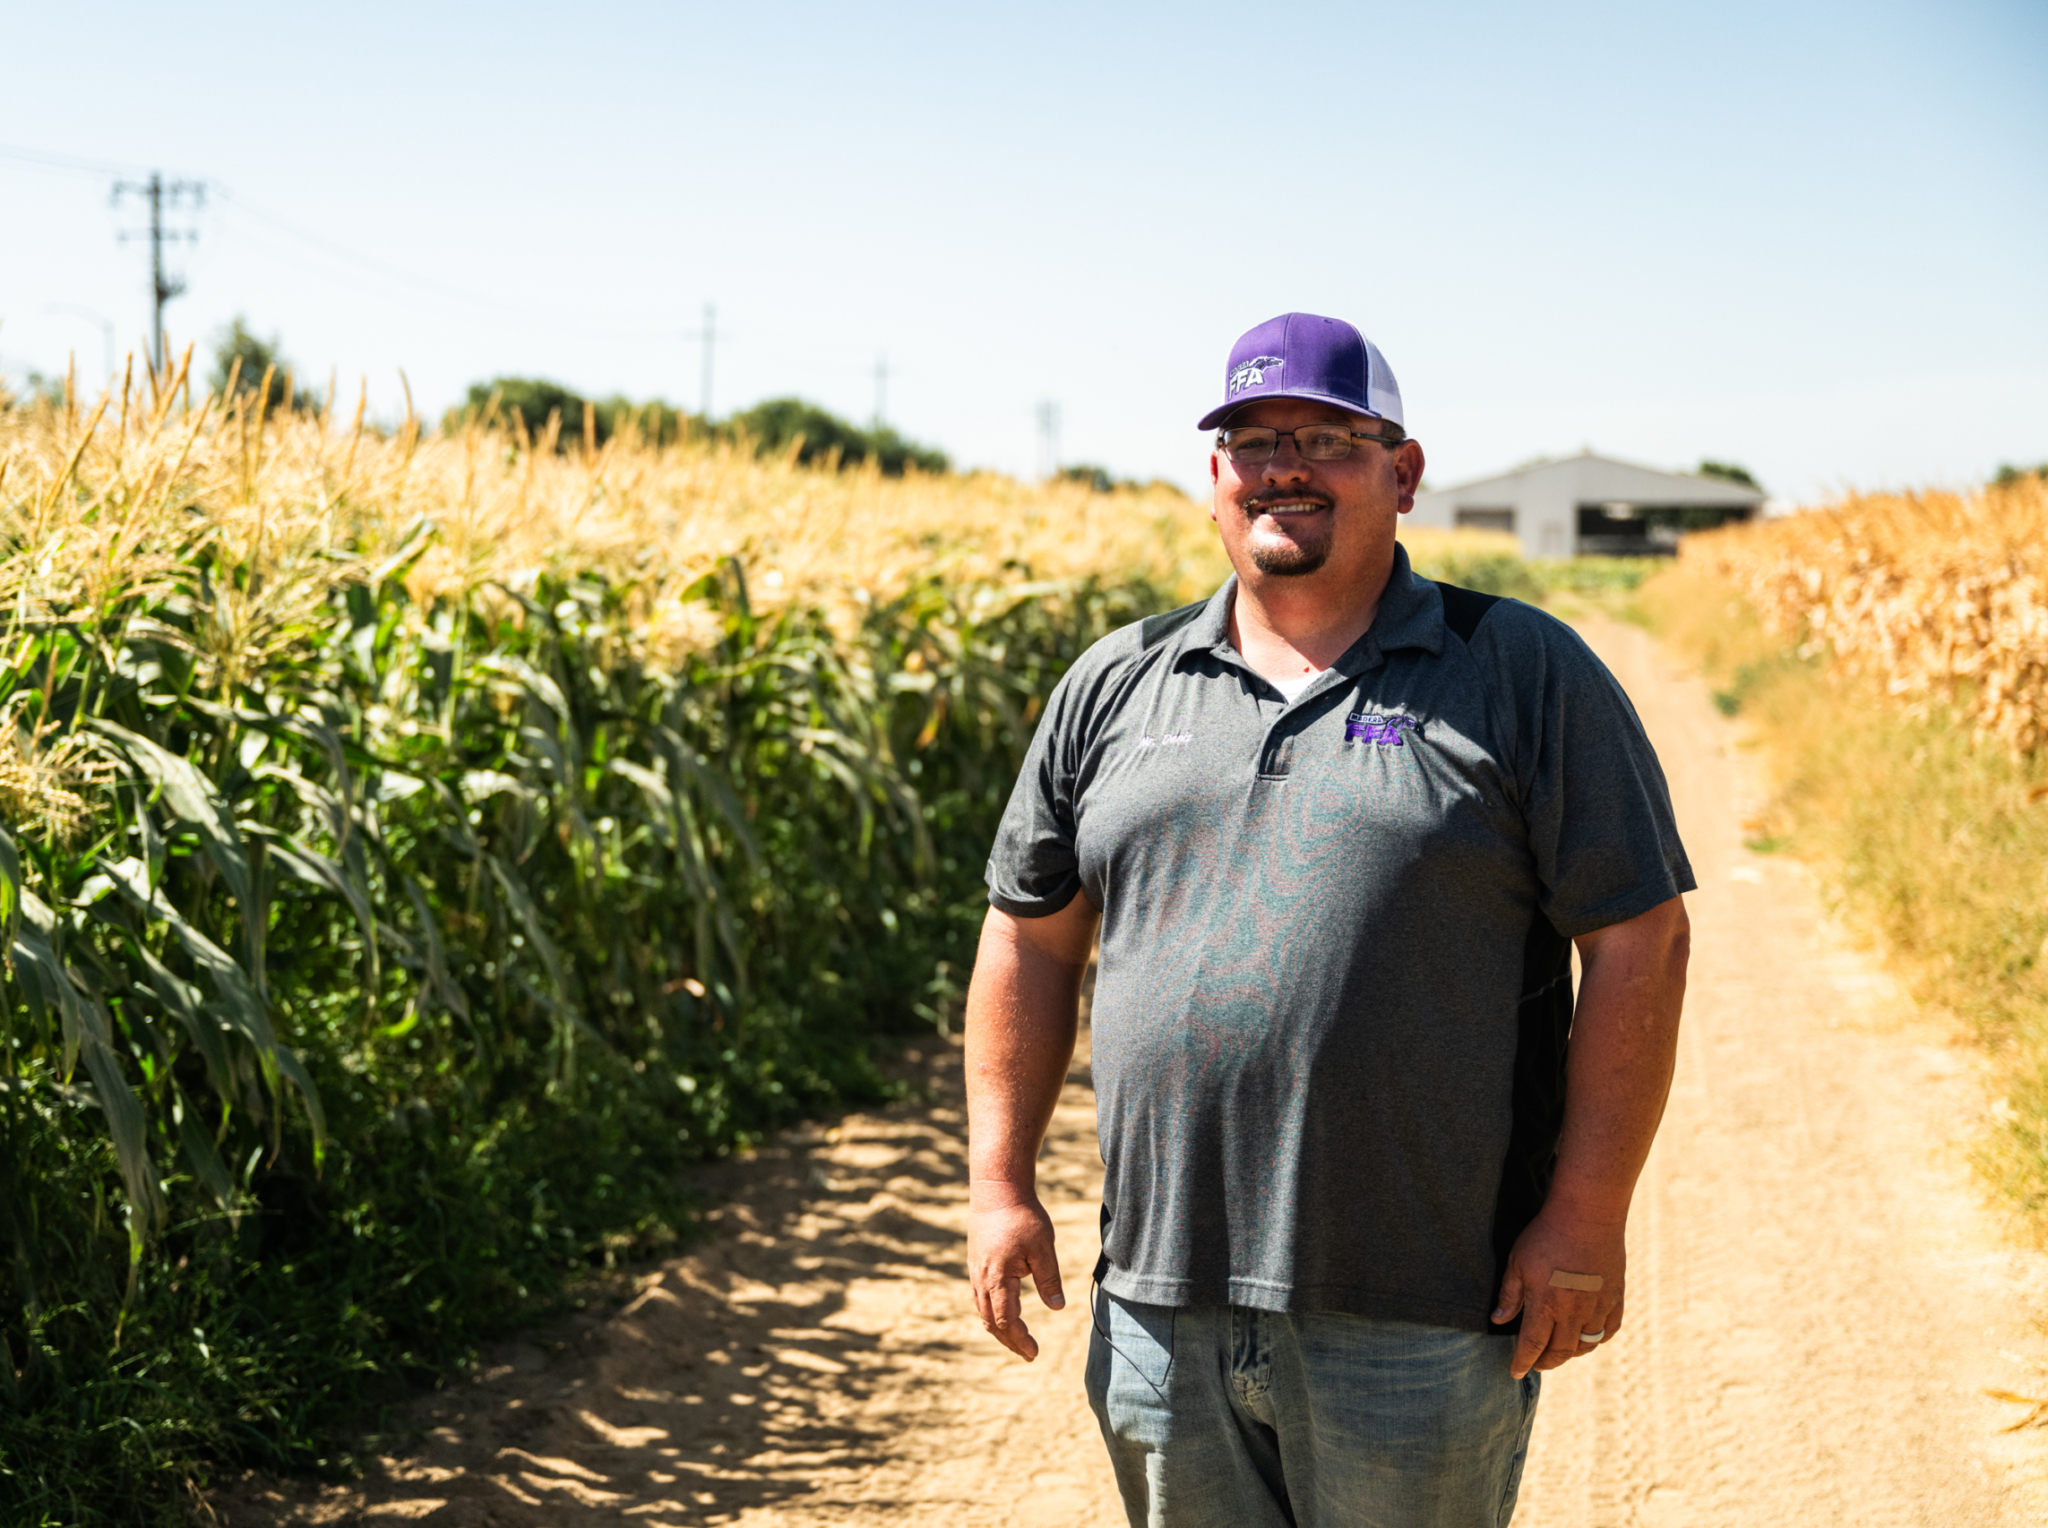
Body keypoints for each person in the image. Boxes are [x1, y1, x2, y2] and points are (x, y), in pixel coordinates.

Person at [963, 312, 1693, 1527]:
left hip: (1417, 1310)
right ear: (1212, 480)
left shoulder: (1512, 668)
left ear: (1401, 473)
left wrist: (1582, 1216)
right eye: (1250, 441)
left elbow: (1638, 941)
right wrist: (998, 1182)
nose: (1282, 467)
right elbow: (1026, 935)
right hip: (1158, 1301)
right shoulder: (1117, 681)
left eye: (1325, 440)